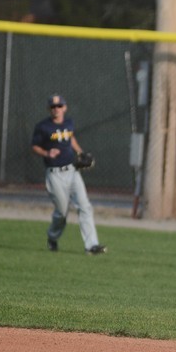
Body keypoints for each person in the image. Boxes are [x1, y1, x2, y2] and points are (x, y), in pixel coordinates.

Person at [30, 93, 106, 255]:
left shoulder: (69, 123)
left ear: (64, 107)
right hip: (54, 174)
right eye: (53, 107)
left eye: (59, 106)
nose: (56, 109)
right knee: (62, 213)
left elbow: (70, 138)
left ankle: (91, 246)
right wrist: (46, 153)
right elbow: (34, 146)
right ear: (49, 109)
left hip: (72, 171)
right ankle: (52, 237)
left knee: (85, 206)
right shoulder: (43, 127)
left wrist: (80, 152)